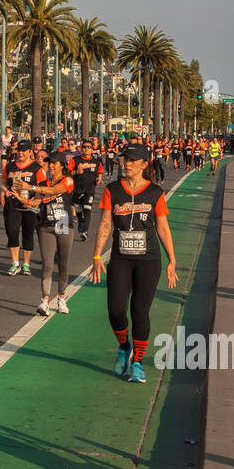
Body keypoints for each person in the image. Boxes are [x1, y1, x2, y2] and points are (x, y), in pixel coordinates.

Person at [90, 144, 179, 383]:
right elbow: (106, 224)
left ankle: (137, 363)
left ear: (144, 164)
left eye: (132, 160)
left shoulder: (155, 193)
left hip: (149, 260)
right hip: (121, 259)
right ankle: (124, 346)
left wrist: (172, 259)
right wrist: (97, 255)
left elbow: (162, 227)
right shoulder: (112, 190)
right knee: (116, 309)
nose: (126, 164)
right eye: (124, 159)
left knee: (140, 311)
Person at [32, 155, 76, 316]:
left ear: (61, 166)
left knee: (63, 264)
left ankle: (61, 299)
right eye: (49, 163)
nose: (50, 166)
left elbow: (55, 191)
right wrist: (20, 197)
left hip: (64, 225)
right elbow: (35, 201)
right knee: (47, 264)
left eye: (54, 163)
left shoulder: (68, 181)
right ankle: (44, 301)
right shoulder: (42, 184)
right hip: (46, 226)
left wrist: (33, 189)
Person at [0, 139, 41, 276]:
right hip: (12, 204)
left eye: (24, 150)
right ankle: (15, 263)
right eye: (19, 150)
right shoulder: (11, 166)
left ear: (30, 152)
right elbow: (3, 181)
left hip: (29, 206)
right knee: (12, 232)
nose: (21, 153)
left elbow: (42, 188)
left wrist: (33, 200)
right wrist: (5, 190)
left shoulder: (36, 168)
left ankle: (26, 264)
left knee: (28, 235)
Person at [71, 139, 104, 241]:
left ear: (92, 149)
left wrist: (99, 179)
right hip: (77, 190)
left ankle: (85, 231)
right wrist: (77, 171)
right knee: (79, 211)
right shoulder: (75, 160)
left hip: (90, 189)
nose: (86, 149)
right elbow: (67, 172)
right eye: (84, 147)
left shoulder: (96, 161)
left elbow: (100, 172)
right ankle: (81, 225)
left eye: (89, 147)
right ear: (81, 148)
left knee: (87, 209)